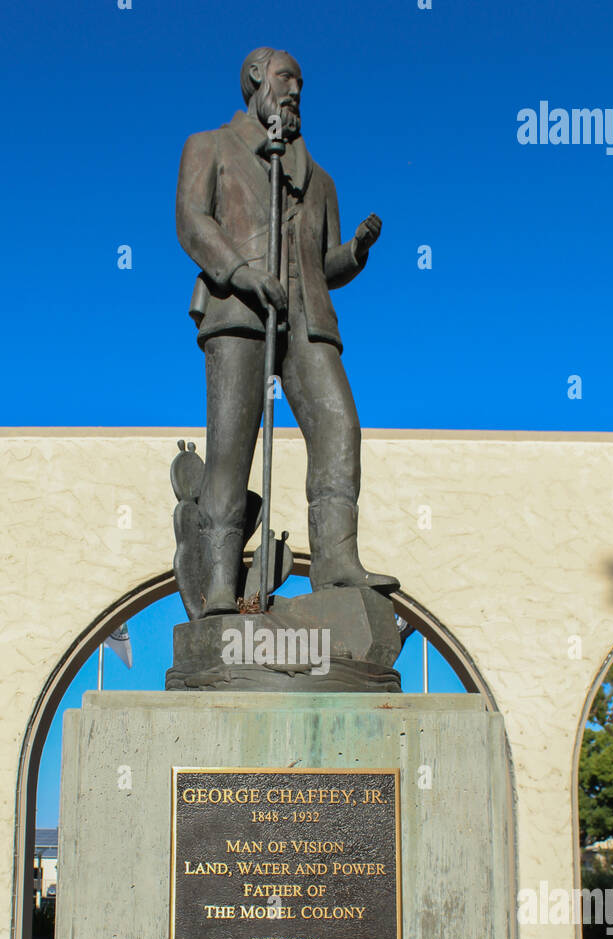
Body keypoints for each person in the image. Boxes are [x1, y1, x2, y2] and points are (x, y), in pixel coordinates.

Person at [176, 46, 399, 615]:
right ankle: (220, 583)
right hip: (239, 308)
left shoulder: (319, 180)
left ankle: (337, 562)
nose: (295, 90)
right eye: (285, 78)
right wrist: (242, 272)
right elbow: (192, 221)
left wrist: (355, 251)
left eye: (301, 82)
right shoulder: (209, 147)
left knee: (339, 425)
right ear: (256, 78)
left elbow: (325, 265)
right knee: (231, 447)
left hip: (307, 316)